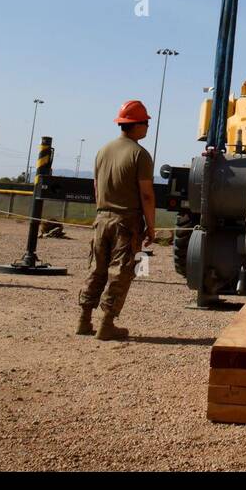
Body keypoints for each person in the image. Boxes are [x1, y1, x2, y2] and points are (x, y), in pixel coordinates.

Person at [76, 100, 157, 341]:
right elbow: (146, 194)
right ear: (136, 125)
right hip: (126, 220)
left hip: (101, 219)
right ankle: (107, 324)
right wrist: (151, 226)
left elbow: (95, 187)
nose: (147, 127)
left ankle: (84, 320)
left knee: (97, 269)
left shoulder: (103, 151)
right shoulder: (139, 155)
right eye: (146, 123)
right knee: (120, 272)